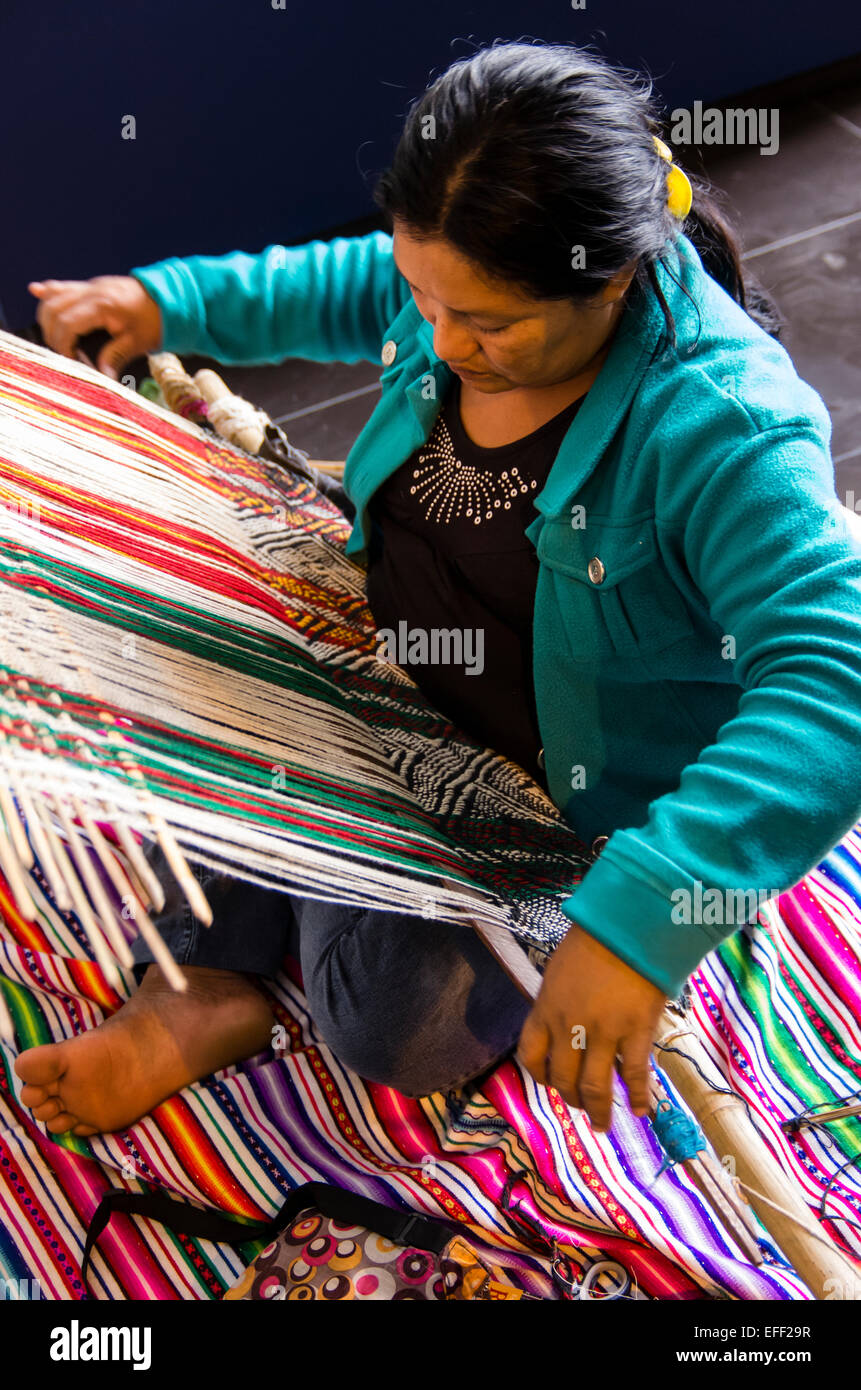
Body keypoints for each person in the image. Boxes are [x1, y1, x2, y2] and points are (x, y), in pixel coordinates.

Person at [15, 42, 861, 1141]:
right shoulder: (453, 289)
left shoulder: (724, 426)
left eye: (489, 324)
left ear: (605, 278)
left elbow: (835, 681)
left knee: (387, 1019)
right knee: (185, 662)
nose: (441, 338)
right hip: (392, 667)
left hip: (551, 805)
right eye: (426, 298)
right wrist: (164, 301)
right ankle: (211, 981)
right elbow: (351, 281)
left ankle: (318, 857)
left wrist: (644, 919)